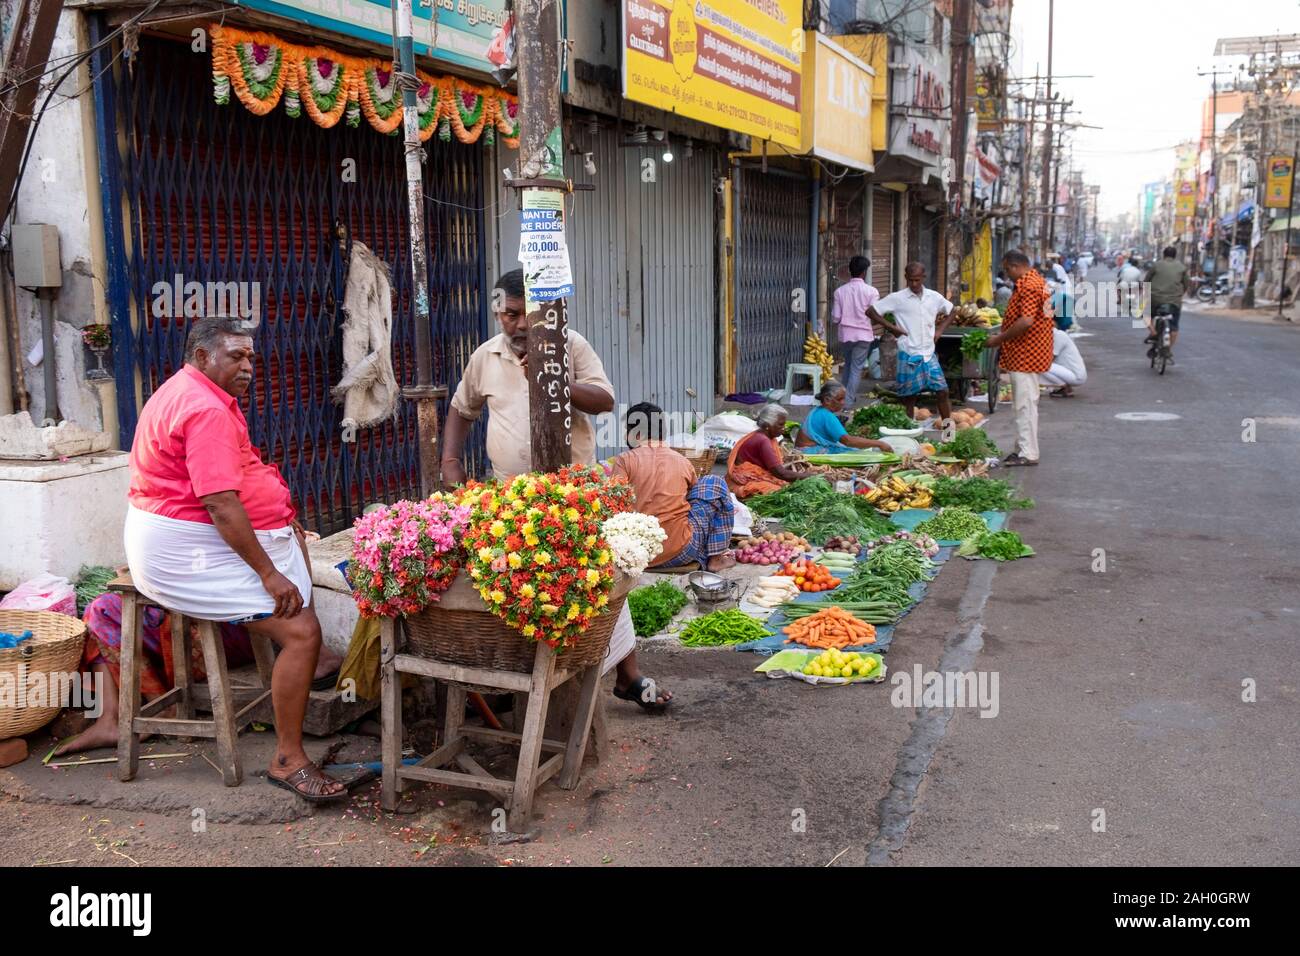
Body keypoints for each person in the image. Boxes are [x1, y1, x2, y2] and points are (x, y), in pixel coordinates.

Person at [76, 316, 348, 800]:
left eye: (251, 358)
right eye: (236, 357)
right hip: (180, 554)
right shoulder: (204, 409)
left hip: (177, 538)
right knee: (300, 631)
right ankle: (288, 757)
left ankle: (311, 656)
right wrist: (267, 573)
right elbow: (220, 503)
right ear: (202, 357)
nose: (248, 367)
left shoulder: (188, 390)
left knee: (293, 534)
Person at [441, 269, 670, 711]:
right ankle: (516, 681)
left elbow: (604, 400)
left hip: (571, 493)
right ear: (498, 312)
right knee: (515, 585)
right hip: (509, 497)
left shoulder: (573, 345)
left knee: (601, 577)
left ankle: (627, 674)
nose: (519, 325)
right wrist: (450, 463)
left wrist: (553, 379)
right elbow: (460, 409)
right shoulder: (486, 356)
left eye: (528, 316)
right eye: (509, 315)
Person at [611, 402, 735, 573]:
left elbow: (612, 504)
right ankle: (716, 558)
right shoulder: (682, 461)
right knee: (715, 483)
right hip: (681, 552)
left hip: (636, 555)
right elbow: (693, 497)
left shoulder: (624, 460)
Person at [866, 262, 955, 426]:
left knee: (943, 392)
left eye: (917, 280)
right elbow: (871, 311)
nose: (914, 284)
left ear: (923, 278)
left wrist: (940, 330)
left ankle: (949, 434)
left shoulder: (934, 297)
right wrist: (892, 327)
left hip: (929, 354)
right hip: (908, 354)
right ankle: (909, 436)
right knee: (909, 398)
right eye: (910, 280)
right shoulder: (897, 298)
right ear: (906, 278)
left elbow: (952, 310)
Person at [987, 251, 1054, 466]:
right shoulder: (1037, 281)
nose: (1007, 274)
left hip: (1026, 353)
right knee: (1025, 403)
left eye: (1007, 269)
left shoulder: (1029, 285)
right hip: (1030, 351)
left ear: (1015, 266)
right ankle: (1023, 448)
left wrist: (999, 339)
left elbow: (1026, 321)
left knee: (1024, 404)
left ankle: (1027, 452)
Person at [726, 404, 806, 498]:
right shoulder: (763, 441)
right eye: (780, 424)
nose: (784, 428)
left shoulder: (766, 437)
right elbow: (780, 473)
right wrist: (808, 476)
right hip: (745, 480)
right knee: (782, 493)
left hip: (756, 475)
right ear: (767, 426)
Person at [831, 255, 880, 404]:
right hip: (864, 335)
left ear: (849, 271)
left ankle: (843, 398)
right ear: (864, 272)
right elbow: (876, 314)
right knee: (856, 369)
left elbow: (835, 318)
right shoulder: (872, 292)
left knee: (848, 366)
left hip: (846, 335)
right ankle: (848, 401)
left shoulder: (839, 292)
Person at [797, 381, 894, 454]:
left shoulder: (818, 410)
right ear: (827, 400)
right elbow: (848, 441)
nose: (843, 402)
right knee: (857, 454)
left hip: (802, 449)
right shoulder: (827, 416)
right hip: (808, 452)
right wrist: (879, 443)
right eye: (840, 399)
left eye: (844, 398)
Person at [1144, 246, 1190, 360]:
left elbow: (1146, 281)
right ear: (1175, 256)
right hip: (1174, 302)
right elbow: (1186, 285)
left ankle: (1153, 332)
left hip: (1155, 299)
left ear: (1164, 255)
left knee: (1145, 314)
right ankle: (1168, 349)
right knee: (1174, 327)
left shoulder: (1156, 265)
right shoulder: (1182, 267)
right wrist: (1178, 296)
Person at [1041, 327, 1088, 397]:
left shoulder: (1059, 336)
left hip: (1076, 376)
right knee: (1040, 365)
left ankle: (1065, 387)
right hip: (1070, 373)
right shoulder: (1053, 336)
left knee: (1040, 366)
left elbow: (1049, 358)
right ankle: (1064, 387)